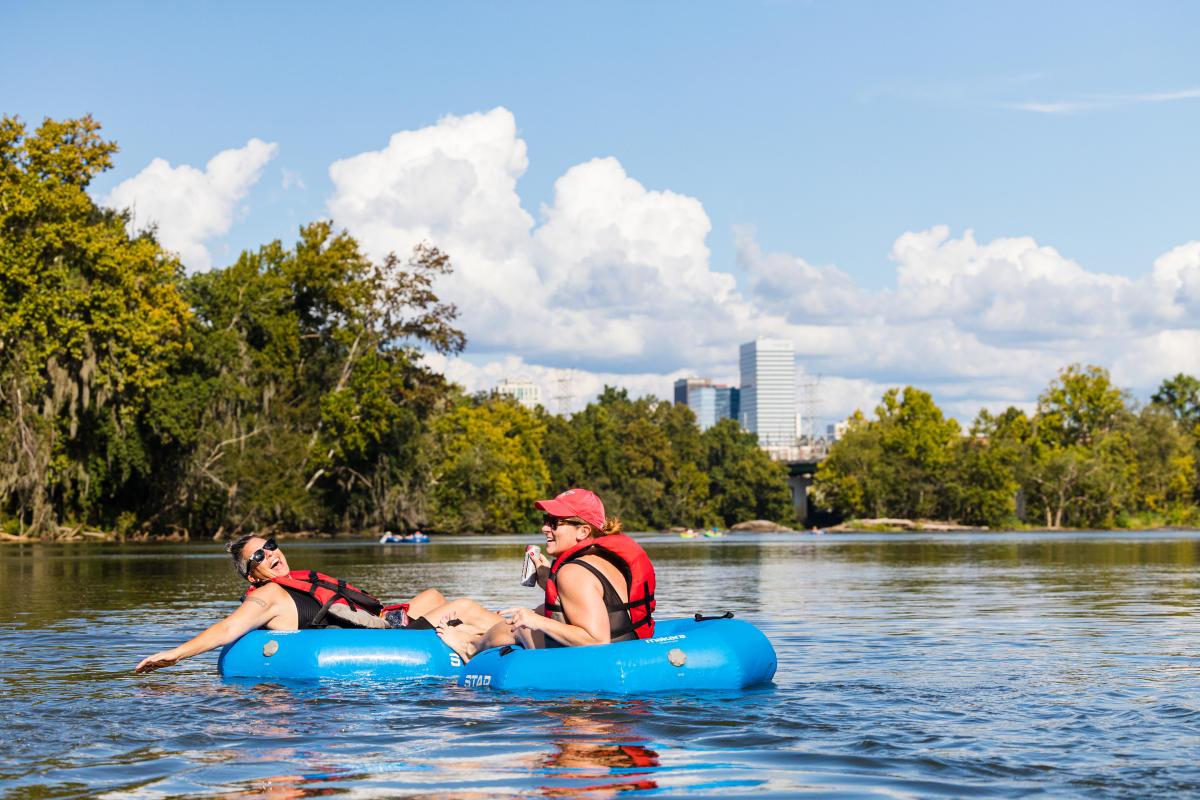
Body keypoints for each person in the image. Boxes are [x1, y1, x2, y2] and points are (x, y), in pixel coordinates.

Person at [133, 534, 430, 673]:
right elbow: (228, 628)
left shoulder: (293, 586)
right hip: (383, 637)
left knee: (432, 597)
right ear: (252, 577)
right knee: (464, 607)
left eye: (270, 546)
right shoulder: (268, 594)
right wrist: (175, 655)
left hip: (383, 624)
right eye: (259, 556)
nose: (271, 554)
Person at [432, 488, 656, 662]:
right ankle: (477, 633)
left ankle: (470, 646)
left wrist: (536, 621)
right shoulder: (604, 558)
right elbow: (604, 603)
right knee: (539, 612)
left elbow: (598, 641)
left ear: (583, 531)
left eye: (554, 523)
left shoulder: (573, 572)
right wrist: (549, 580)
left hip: (595, 662)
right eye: (545, 521)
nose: (545, 529)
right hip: (628, 647)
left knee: (522, 624)